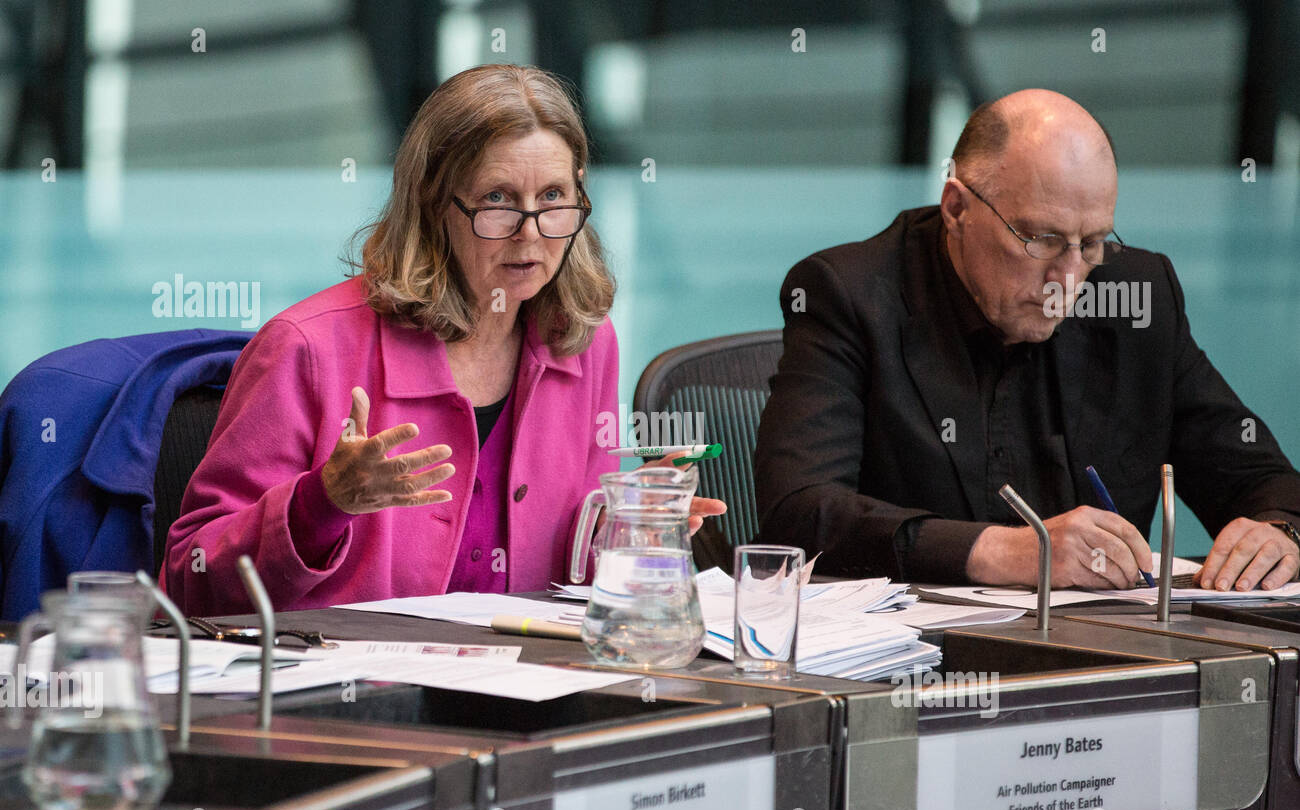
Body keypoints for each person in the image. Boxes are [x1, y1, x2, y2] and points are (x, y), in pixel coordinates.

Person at [165, 64, 724, 616]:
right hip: (353, 692)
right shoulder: (306, 348)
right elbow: (189, 578)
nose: (530, 233)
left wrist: (629, 524)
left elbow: (566, 574)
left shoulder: (581, 340)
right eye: (499, 200)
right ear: (435, 205)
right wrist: (321, 504)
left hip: (525, 685)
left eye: (553, 197)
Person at [755, 89, 1300, 592]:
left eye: (1091, 243)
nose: (1067, 280)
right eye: (1041, 240)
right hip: (912, 664)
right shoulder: (850, 294)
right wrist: (1010, 551)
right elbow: (801, 513)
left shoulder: (1137, 298)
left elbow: (1261, 476)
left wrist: (1279, 534)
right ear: (957, 208)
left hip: (1109, 659)